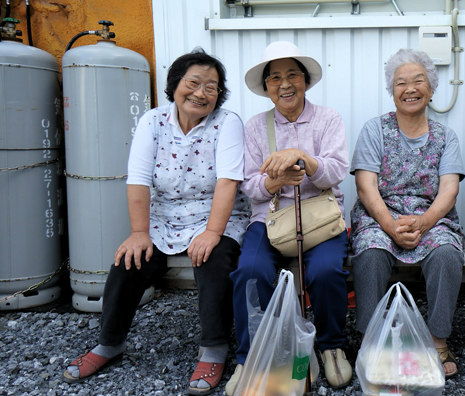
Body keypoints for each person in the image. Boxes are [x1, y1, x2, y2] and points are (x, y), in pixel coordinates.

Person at [62, 49, 251, 396]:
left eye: (212, 87)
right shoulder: (152, 121)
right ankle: (110, 342)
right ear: (175, 84)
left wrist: (211, 232)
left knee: (214, 257)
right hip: (163, 217)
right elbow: (138, 178)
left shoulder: (228, 123)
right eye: (193, 83)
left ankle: (213, 348)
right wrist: (138, 232)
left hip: (215, 216)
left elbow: (228, 181)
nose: (201, 93)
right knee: (128, 260)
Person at [226, 41, 351, 395]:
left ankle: (331, 345)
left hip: (321, 216)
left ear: (306, 81)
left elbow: (337, 170)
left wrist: (303, 159)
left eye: (293, 74)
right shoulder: (255, 127)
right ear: (266, 87)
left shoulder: (328, 118)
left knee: (327, 271)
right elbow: (251, 187)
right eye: (275, 77)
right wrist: (275, 181)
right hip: (271, 217)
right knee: (250, 271)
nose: (285, 84)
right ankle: (253, 355)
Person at [349, 48, 465, 378]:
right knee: (370, 252)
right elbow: (365, 187)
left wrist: (425, 222)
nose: (410, 89)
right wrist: (389, 224)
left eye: (418, 81)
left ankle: (437, 339)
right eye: (401, 83)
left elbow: (449, 190)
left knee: (446, 253)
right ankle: (372, 342)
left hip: (431, 217)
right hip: (380, 215)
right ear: (392, 90)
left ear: (431, 88)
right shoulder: (375, 129)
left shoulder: (446, 136)